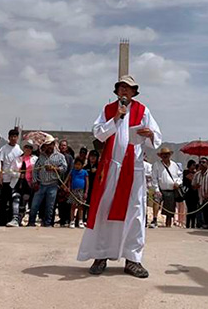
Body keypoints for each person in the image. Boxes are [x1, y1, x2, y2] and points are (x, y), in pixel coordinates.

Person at [77, 75, 162, 279]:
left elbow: (156, 137)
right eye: (121, 87)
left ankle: (133, 259)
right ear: (117, 91)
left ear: (134, 92)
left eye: (129, 88)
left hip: (134, 169)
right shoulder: (108, 110)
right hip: (111, 169)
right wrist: (116, 118)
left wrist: (149, 134)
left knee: (135, 212)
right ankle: (101, 255)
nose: (125, 91)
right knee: (105, 209)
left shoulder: (143, 110)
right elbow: (98, 133)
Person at [29, 136, 68, 227]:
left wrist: (55, 168)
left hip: (53, 184)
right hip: (41, 183)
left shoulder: (60, 156)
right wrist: (35, 181)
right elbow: (35, 169)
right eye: (47, 145)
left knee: (50, 206)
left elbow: (64, 168)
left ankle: (48, 223)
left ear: (54, 145)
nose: (49, 147)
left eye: (50, 144)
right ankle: (31, 222)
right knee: (35, 205)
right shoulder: (41, 156)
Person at [7, 142, 37, 227]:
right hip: (17, 182)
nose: (28, 149)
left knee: (24, 201)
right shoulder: (17, 159)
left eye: (30, 148)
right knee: (16, 199)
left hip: (28, 184)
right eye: (26, 147)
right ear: (24, 148)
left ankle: (20, 218)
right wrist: (18, 174)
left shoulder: (34, 159)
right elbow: (10, 171)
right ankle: (15, 218)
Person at [0, 128, 23, 226]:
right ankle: (2, 220)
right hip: (5, 178)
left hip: (15, 179)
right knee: (3, 201)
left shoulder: (19, 150)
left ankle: (12, 219)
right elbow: (0, 164)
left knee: (14, 200)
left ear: (17, 138)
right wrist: (0, 179)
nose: (13, 138)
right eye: (11, 136)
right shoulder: (3, 149)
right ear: (9, 137)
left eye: (15, 137)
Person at [151, 147, 183, 228]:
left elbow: (180, 176)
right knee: (156, 201)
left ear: (170, 155)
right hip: (160, 189)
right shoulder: (157, 165)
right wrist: (156, 189)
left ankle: (168, 225)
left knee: (170, 209)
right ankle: (154, 219)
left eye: (167, 154)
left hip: (171, 189)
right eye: (163, 154)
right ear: (160, 156)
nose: (165, 155)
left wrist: (178, 183)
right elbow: (154, 178)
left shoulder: (174, 165)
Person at [193, 157, 208, 229]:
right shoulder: (197, 174)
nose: (201, 164)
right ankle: (203, 224)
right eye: (200, 162)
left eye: (203, 162)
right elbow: (193, 185)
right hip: (200, 195)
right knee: (202, 210)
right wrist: (195, 186)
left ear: (207, 164)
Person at [66, 156, 89, 228]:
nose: (77, 166)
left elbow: (87, 183)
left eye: (79, 164)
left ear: (82, 165)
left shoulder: (85, 172)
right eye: (76, 164)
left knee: (80, 206)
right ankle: (72, 221)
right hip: (73, 191)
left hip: (81, 191)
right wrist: (69, 187)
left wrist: (86, 192)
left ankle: (80, 221)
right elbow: (69, 180)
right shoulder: (72, 171)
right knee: (73, 206)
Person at [83, 149, 99, 224]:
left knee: (93, 205)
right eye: (91, 156)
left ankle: (91, 219)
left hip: (96, 188)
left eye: (94, 156)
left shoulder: (100, 167)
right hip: (86, 189)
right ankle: (83, 219)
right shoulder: (85, 168)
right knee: (85, 204)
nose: (93, 158)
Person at [183, 160, 199, 228]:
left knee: (194, 209)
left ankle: (193, 224)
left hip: (195, 193)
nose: (194, 166)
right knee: (189, 208)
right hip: (188, 193)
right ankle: (187, 224)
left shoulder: (196, 173)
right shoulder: (186, 172)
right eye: (193, 165)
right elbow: (191, 179)